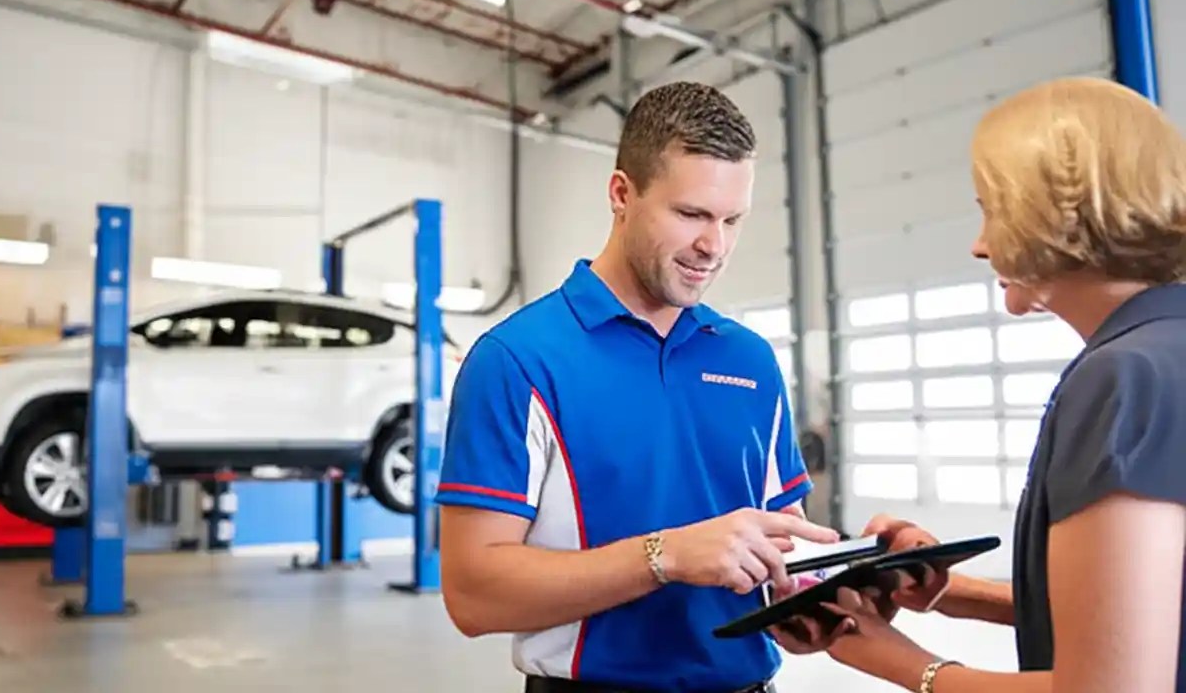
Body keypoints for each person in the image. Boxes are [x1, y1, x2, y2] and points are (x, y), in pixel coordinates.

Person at [768, 76, 1186, 693]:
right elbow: (1146, 614)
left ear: (1054, 210)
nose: (980, 245)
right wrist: (950, 593)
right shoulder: (1166, 352)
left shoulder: (1123, 380)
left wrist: (907, 665)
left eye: (991, 209)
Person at [435, 81, 841, 692]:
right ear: (622, 194)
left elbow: (780, 536)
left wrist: (813, 593)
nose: (715, 246)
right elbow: (473, 595)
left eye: (733, 220)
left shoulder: (750, 360)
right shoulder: (516, 361)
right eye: (691, 215)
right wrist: (666, 556)